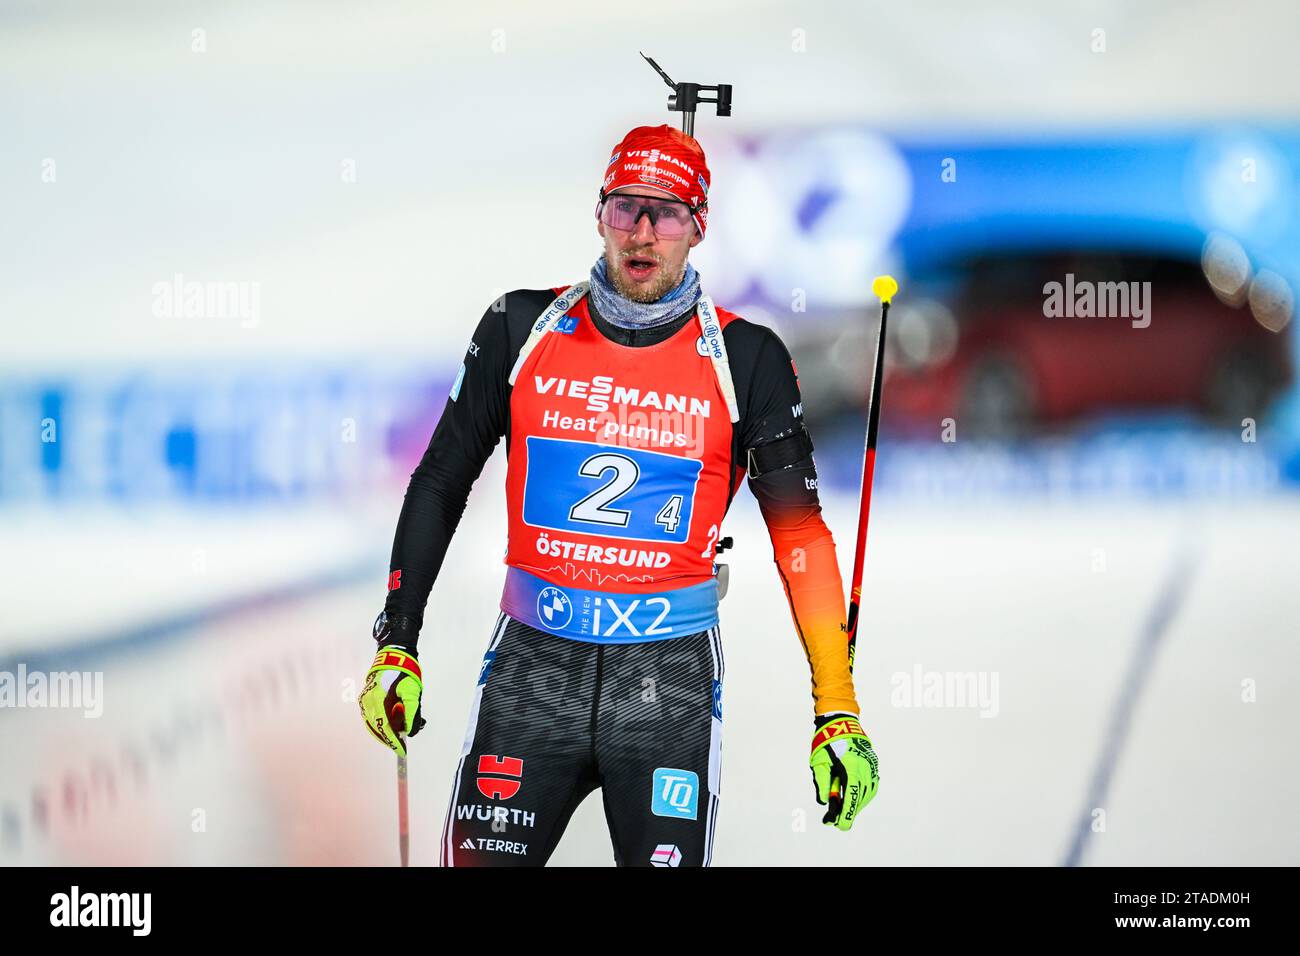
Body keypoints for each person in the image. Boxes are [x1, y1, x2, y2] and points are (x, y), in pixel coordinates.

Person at [358, 123, 878, 867]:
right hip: (534, 669)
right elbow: (441, 478)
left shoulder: (746, 357)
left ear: (699, 225)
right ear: (599, 215)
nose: (641, 232)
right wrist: (397, 642)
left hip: (665, 684)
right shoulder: (519, 327)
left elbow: (798, 534)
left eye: (664, 213)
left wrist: (837, 709)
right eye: (623, 208)